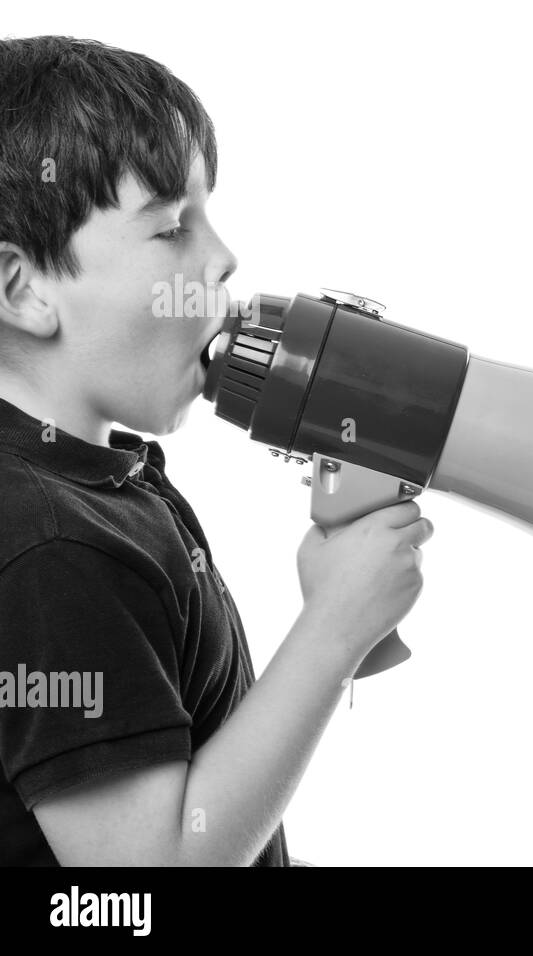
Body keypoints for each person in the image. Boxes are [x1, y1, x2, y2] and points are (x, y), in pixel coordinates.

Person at [0, 35, 433, 866]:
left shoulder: (100, 489)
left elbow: (197, 788)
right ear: (24, 291)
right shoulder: (51, 547)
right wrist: (335, 630)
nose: (225, 258)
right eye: (170, 229)